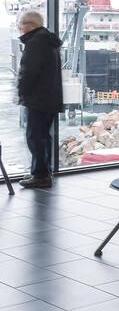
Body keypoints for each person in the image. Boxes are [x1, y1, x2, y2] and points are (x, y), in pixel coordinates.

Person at [16, 10, 63, 190]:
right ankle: (43, 171)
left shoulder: (35, 42)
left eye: (21, 24)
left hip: (38, 98)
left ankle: (41, 176)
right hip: (50, 97)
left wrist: (21, 93)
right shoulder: (48, 41)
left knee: (34, 137)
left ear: (30, 25)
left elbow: (28, 72)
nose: (20, 28)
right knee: (44, 136)